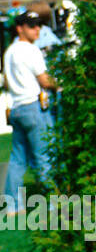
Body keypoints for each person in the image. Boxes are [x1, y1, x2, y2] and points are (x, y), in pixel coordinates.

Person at [4, 11, 57, 208]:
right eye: (32, 26)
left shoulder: (9, 51)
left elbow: (8, 82)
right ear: (20, 28)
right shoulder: (31, 50)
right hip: (34, 107)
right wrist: (60, 83)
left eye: (38, 25)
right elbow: (43, 79)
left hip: (17, 107)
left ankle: (12, 205)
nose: (37, 29)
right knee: (45, 156)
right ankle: (52, 203)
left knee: (17, 159)